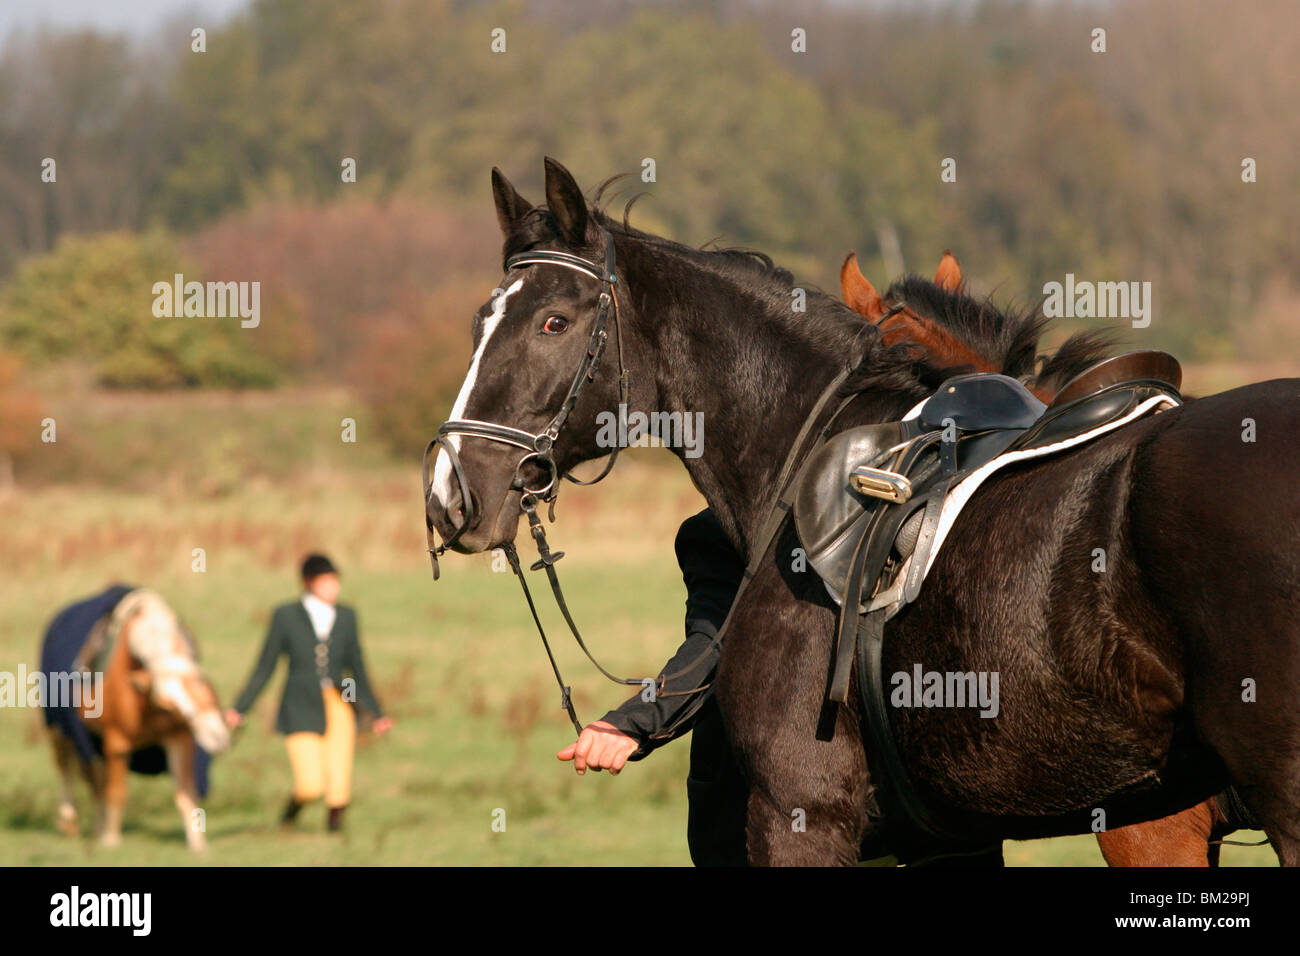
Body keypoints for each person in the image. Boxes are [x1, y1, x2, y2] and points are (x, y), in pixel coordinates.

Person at [556, 509, 750, 865]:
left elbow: (721, 647)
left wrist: (631, 722)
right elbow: (719, 644)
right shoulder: (720, 532)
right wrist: (633, 721)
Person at [225, 554, 392, 832]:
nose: (333, 588)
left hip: (340, 701)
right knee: (310, 783)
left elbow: (358, 669)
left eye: (335, 581)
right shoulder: (285, 615)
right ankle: (290, 814)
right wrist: (239, 709)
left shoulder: (347, 616)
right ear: (308, 583)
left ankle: (335, 833)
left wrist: (377, 714)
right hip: (299, 705)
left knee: (339, 777)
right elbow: (265, 666)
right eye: (326, 582)